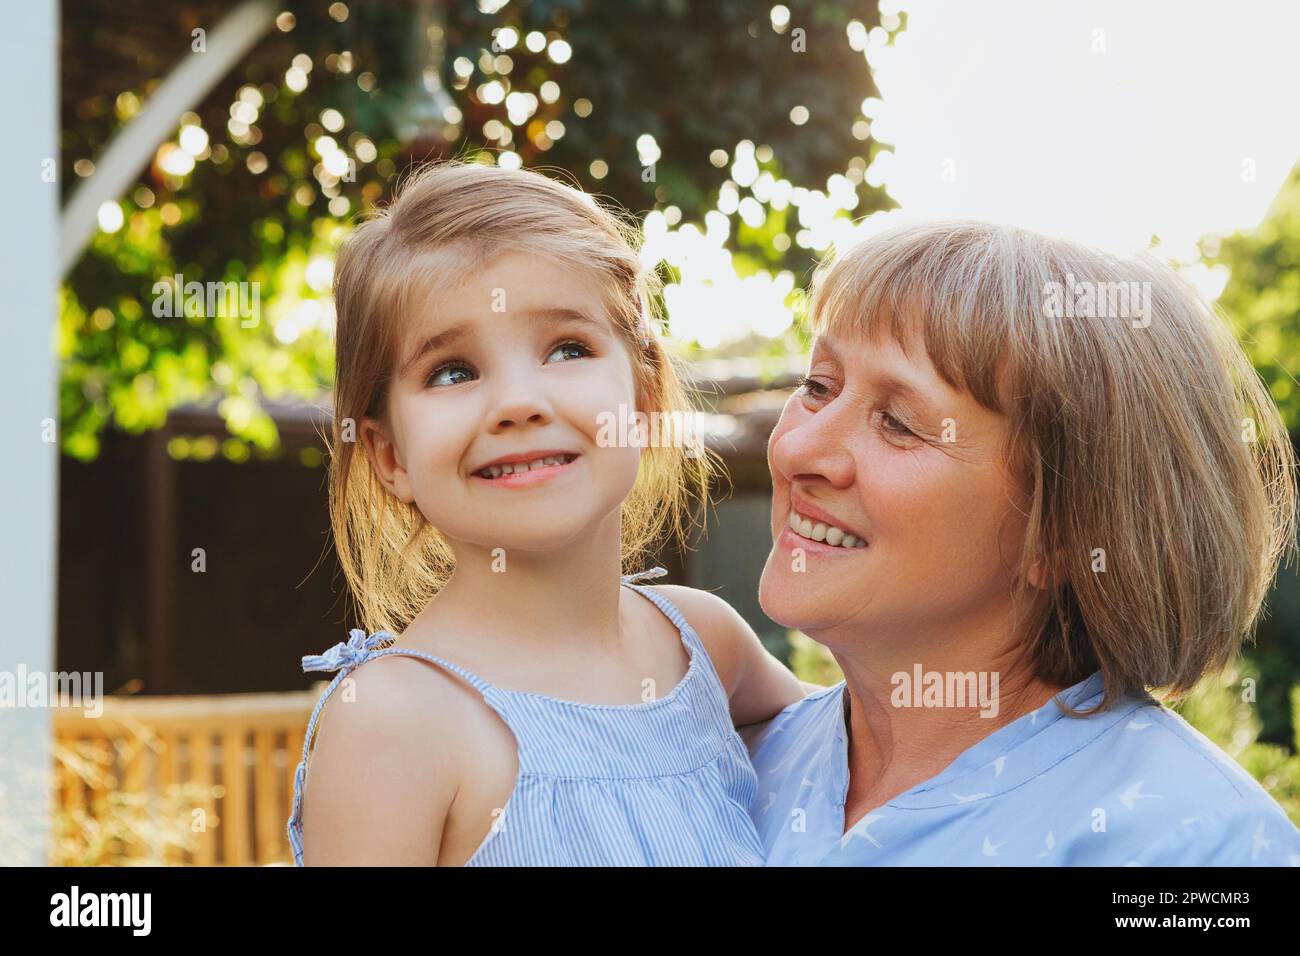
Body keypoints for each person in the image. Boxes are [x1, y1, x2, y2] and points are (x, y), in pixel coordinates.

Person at [287, 161, 804, 866]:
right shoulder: (395, 721)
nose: (518, 402)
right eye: (453, 371)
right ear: (390, 457)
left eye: (568, 348)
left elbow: (879, 760)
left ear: (644, 402)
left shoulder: (704, 649)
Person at [744, 220, 1300, 865]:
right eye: (819, 387)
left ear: (1065, 533)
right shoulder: (720, 763)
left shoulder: (1198, 847)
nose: (794, 449)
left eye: (898, 424)